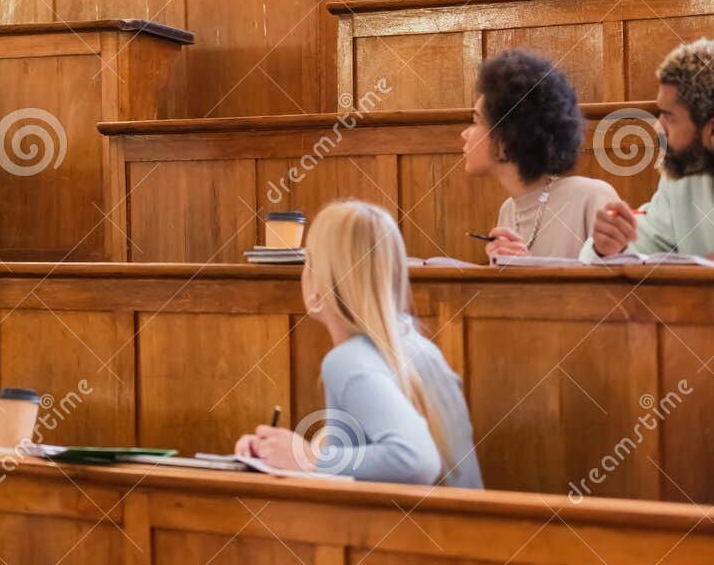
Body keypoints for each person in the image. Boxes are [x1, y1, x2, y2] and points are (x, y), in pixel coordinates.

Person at [235, 200, 482, 488]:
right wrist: (282, 452)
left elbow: (417, 461)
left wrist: (308, 458)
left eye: (309, 260)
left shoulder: (348, 360)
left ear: (319, 280)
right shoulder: (417, 346)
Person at [461, 48, 617, 260]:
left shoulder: (592, 197)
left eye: (476, 121)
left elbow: (622, 290)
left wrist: (530, 271)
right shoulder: (508, 210)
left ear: (506, 138)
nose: (464, 134)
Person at [580, 38, 714, 261]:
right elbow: (640, 244)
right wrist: (609, 246)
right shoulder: (682, 181)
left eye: (670, 117)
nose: (657, 127)